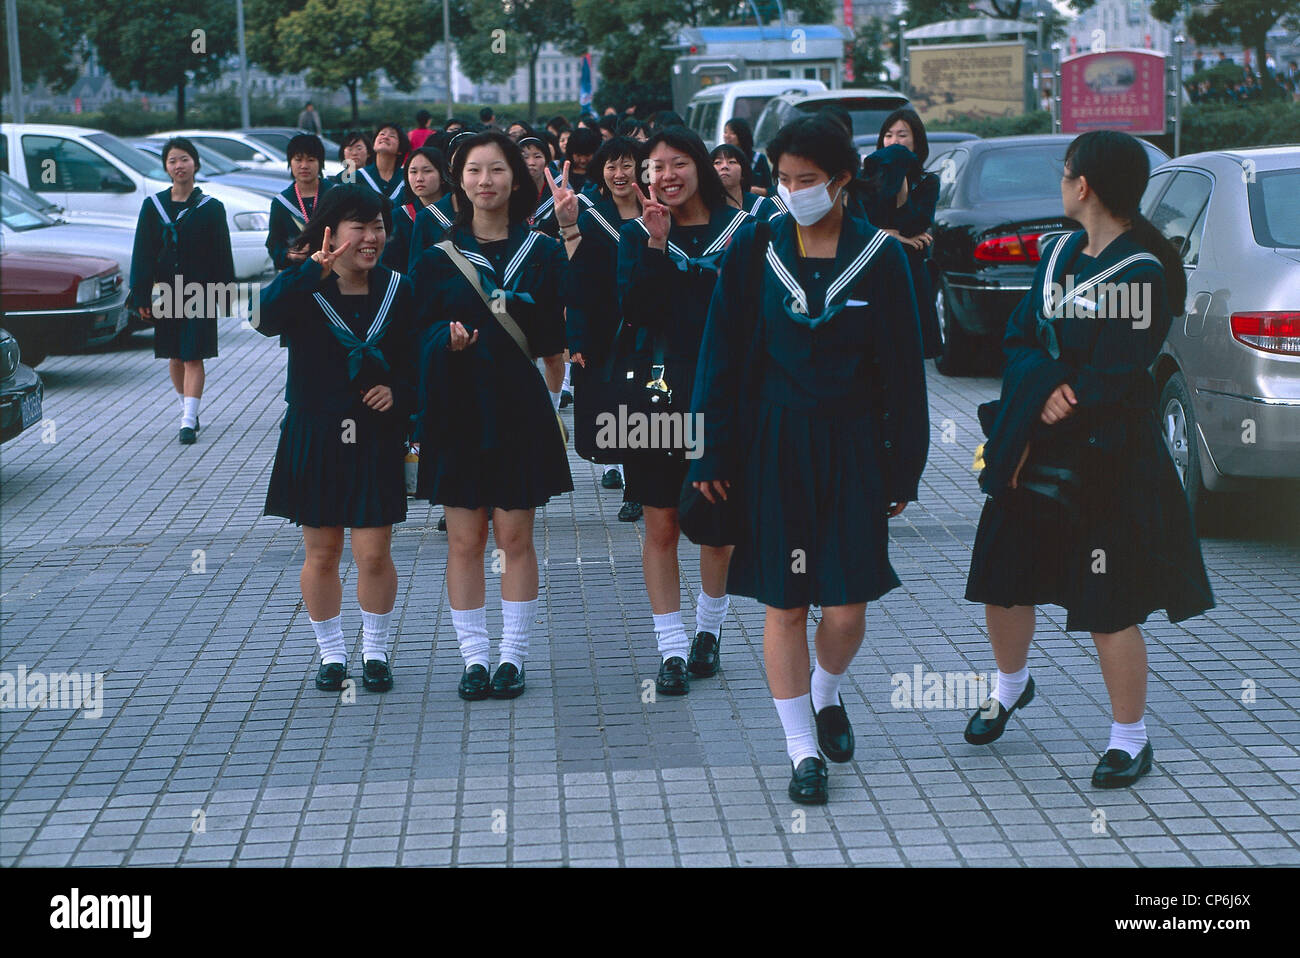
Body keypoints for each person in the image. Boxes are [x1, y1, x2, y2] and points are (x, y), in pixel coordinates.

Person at [963, 130, 1215, 789]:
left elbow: (1118, 370)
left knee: (1109, 599)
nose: (1062, 182)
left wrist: (1060, 392)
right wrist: (1043, 386)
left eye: (1066, 172)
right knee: (1002, 577)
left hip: (1110, 458)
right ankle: (1011, 685)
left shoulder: (1143, 271)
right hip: (1033, 447)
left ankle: (1129, 739)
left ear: (1086, 186)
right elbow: (1018, 335)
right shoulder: (1057, 256)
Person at [688, 116, 928, 804]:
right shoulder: (755, 249)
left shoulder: (881, 257)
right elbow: (722, 355)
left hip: (854, 448)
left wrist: (903, 466)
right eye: (784, 180)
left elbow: (903, 374)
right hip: (775, 445)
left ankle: (826, 690)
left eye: (808, 180)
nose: (793, 192)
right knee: (786, 604)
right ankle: (801, 752)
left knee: (846, 611)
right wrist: (709, 447)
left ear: (842, 181)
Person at [411, 131, 573, 701]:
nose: (486, 181)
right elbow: (413, 332)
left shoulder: (545, 251)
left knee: (515, 535)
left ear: (516, 179)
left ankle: (513, 657)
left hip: (518, 404)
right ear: (461, 182)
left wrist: (573, 235)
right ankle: (474, 657)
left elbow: (555, 339)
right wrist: (441, 339)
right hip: (457, 406)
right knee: (464, 540)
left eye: (497, 170)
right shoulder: (435, 257)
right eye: (475, 171)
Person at [254, 186, 417, 695]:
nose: (371, 238)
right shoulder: (305, 287)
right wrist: (309, 272)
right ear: (331, 232)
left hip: (374, 435)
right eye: (359, 228)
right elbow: (261, 319)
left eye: (378, 227)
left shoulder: (399, 288)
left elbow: (419, 359)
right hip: (316, 430)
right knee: (321, 553)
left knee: (373, 552)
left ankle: (375, 650)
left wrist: (400, 392)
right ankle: (330, 653)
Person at [616, 125, 751, 696]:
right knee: (662, 524)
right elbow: (637, 310)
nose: (665, 176)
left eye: (676, 164)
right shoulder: (636, 234)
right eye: (654, 167)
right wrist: (653, 243)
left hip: (724, 398)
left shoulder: (745, 232)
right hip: (657, 395)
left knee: (718, 529)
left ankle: (708, 631)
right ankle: (671, 648)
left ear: (700, 165)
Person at [128, 137, 235, 445]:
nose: (179, 166)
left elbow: (222, 253)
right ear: (165, 167)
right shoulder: (153, 207)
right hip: (166, 293)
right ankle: (186, 407)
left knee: (193, 357)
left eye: (184, 159)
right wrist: (141, 296)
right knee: (175, 356)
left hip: (200, 292)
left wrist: (224, 295)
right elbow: (143, 254)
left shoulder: (212, 208)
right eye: (173, 160)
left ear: (196, 164)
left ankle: (188, 420)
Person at [567, 136, 647, 519]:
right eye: (612, 166)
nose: (619, 174)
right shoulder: (591, 218)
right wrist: (577, 338)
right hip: (606, 329)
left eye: (627, 165)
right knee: (622, 405)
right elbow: (578, 282)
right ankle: (634, 486)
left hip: (653, 325)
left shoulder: (660, 214)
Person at [862, 108, 942, 358]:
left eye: (902, 136)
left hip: (909, 273)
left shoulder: (927, 182)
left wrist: (901, 189)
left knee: (909, 352)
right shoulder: (865, 180)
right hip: (872, 273)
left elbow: (915, 225)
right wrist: (892, 235)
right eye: (888, 136)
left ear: (916, 142)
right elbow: (859, 225)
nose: (894, 142)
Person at [268, 133, 333, 271]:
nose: (304, 166)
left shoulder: (335, 195)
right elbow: (274, 244)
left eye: (310, 160)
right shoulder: (282, 202)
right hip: (298, 274)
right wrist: (288, 254)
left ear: (320, 163)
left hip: (335, 271)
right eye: (298, 160)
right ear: (290, 162)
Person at [383, 145, 449, 273]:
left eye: (427, 171)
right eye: (413, 171)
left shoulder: (458, 213)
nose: (419, 178)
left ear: (442, 175)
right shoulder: (399, 217)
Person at [711, 143, 780, 220]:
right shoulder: (706, 210)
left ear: (743, 172)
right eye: (717, 162)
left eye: (732, 162)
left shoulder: (763, 206)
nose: (724, 166)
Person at [358, 123, 410, 206]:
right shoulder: (358, 176)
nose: (385, 137)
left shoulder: (408, 179)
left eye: (392, 136)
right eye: (382, 134)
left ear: (400, 149)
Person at [723, 117, 770, 195]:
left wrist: (757, 190)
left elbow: (771, 190)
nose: (727, 136)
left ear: (742, 134)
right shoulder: (721, 160)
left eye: (732, 133)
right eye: (725, 132)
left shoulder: (758, 159)